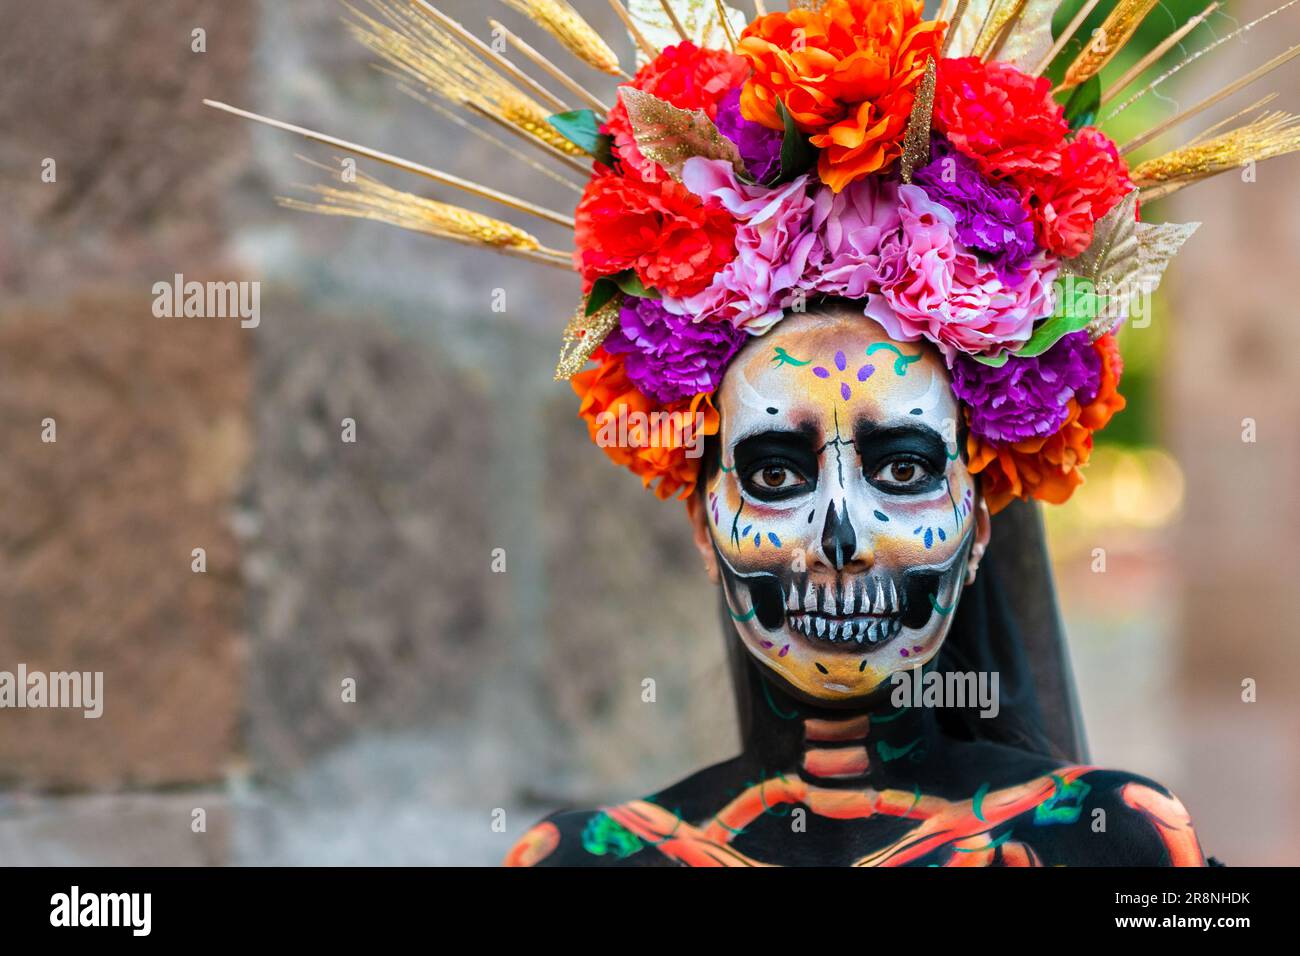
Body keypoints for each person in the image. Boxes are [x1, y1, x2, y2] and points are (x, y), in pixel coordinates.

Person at [503, 303, 1204, 867]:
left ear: (979, 524)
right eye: (775, 475)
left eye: (903, 470)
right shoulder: (578, 859)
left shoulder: (1112, 840)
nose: (841, 541)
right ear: (702, 524)